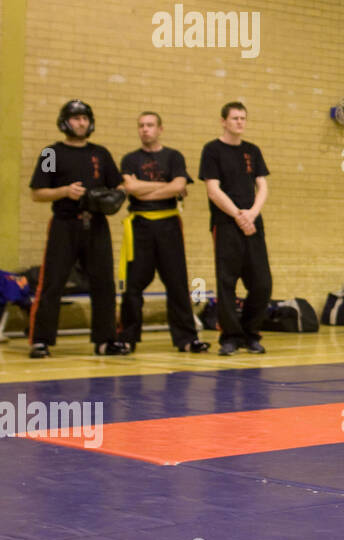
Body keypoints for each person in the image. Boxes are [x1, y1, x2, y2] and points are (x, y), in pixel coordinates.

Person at [28, 100, 130, 358]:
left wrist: (112, 199)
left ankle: (106, 340)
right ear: (65, 121)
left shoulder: (100, 154)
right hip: (64, 224)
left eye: (84, 118)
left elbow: (119, 186)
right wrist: (64, 191)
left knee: (104, 283)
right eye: (75, 118)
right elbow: (37, 193)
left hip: (96, 225)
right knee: (52, 282)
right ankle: (41, 341)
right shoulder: (51, 153)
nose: (81, 122)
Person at [119, 112, 209, 353]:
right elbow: (130, 188)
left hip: (168, 225)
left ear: (160, 128)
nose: (145, 129)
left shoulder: (173, 156)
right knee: (133, 285)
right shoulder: (129, 159)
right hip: (140, 227)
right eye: (141, 125)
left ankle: (187, 339)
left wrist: (145, 188)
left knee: (177, 283)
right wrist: (166, 187)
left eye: (150, 125)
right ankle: (127, 338)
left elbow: (179, 186)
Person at [199, 102, 272, 356]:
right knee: (227, 282)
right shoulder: (212, 150)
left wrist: (252, 213)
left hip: (253, 222)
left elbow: (262, 186)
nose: (240, 122)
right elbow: (213, 189)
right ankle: (230, 337)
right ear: (223, 121)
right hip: (227, 223)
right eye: (234, 118)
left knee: (262, 283)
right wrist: (238, 215)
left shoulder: (252, 151)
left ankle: (251, 334)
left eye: (243, 118)